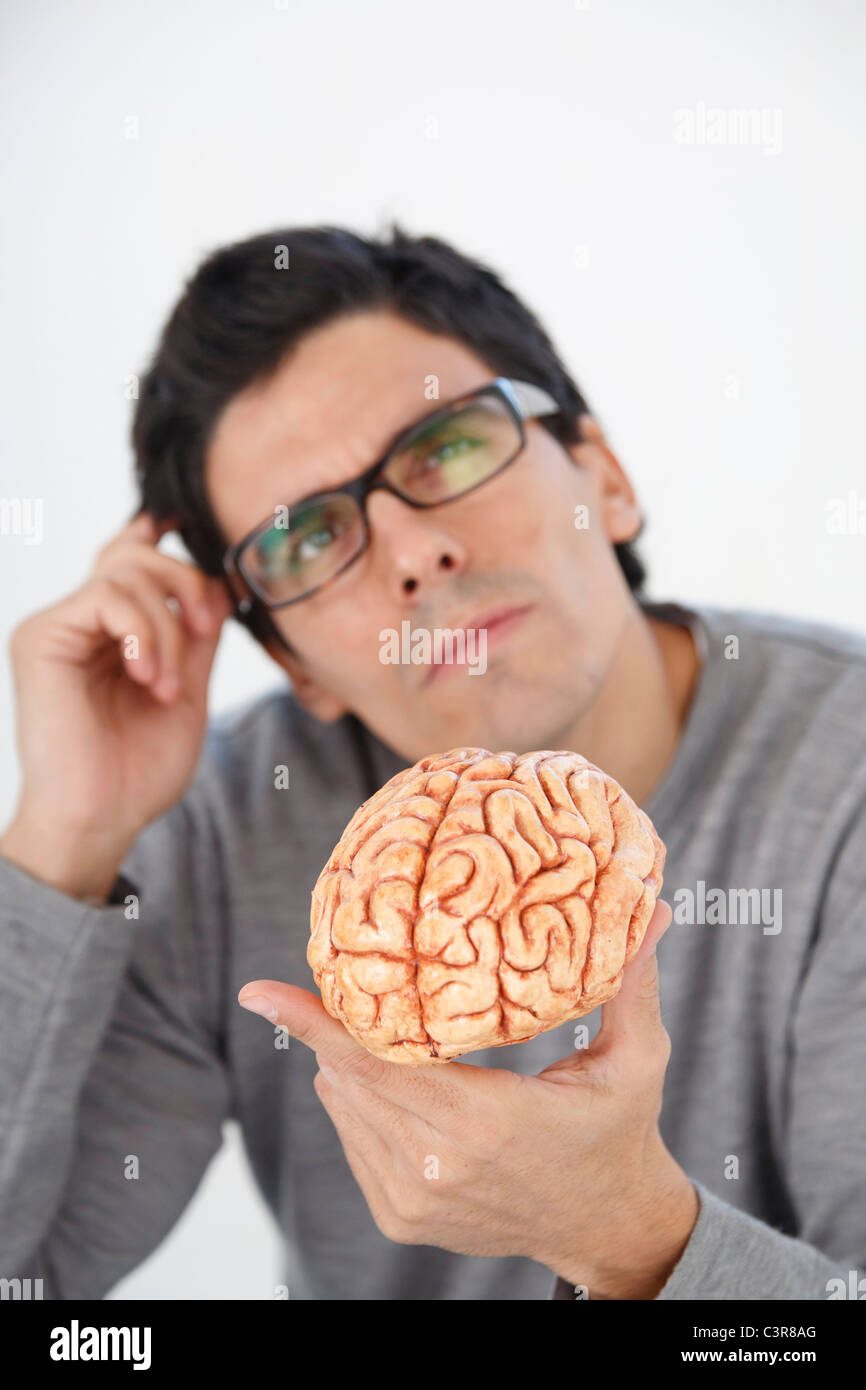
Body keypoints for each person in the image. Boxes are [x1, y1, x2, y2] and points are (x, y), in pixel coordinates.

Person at [1, 225, 863, 1301]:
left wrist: (632, 1240)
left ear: (604, 477)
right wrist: (61, 839)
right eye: (306, 539)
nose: (414, 554)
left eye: (445, 448)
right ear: (293, 665)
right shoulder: (220, 830)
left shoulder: (844, 782)